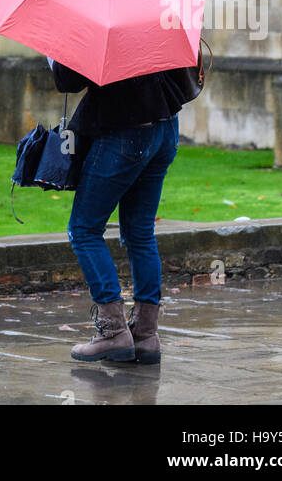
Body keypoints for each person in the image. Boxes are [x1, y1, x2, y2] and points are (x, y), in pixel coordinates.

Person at [49, 54, 204, 364]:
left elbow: (68, 80)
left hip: (126, 131)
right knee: (140, 232)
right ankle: (146, 335)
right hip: (165, 127)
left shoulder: (102, 17)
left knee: (83, 229)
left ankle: (113, 332)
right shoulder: (154, 10)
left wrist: (55, 55)